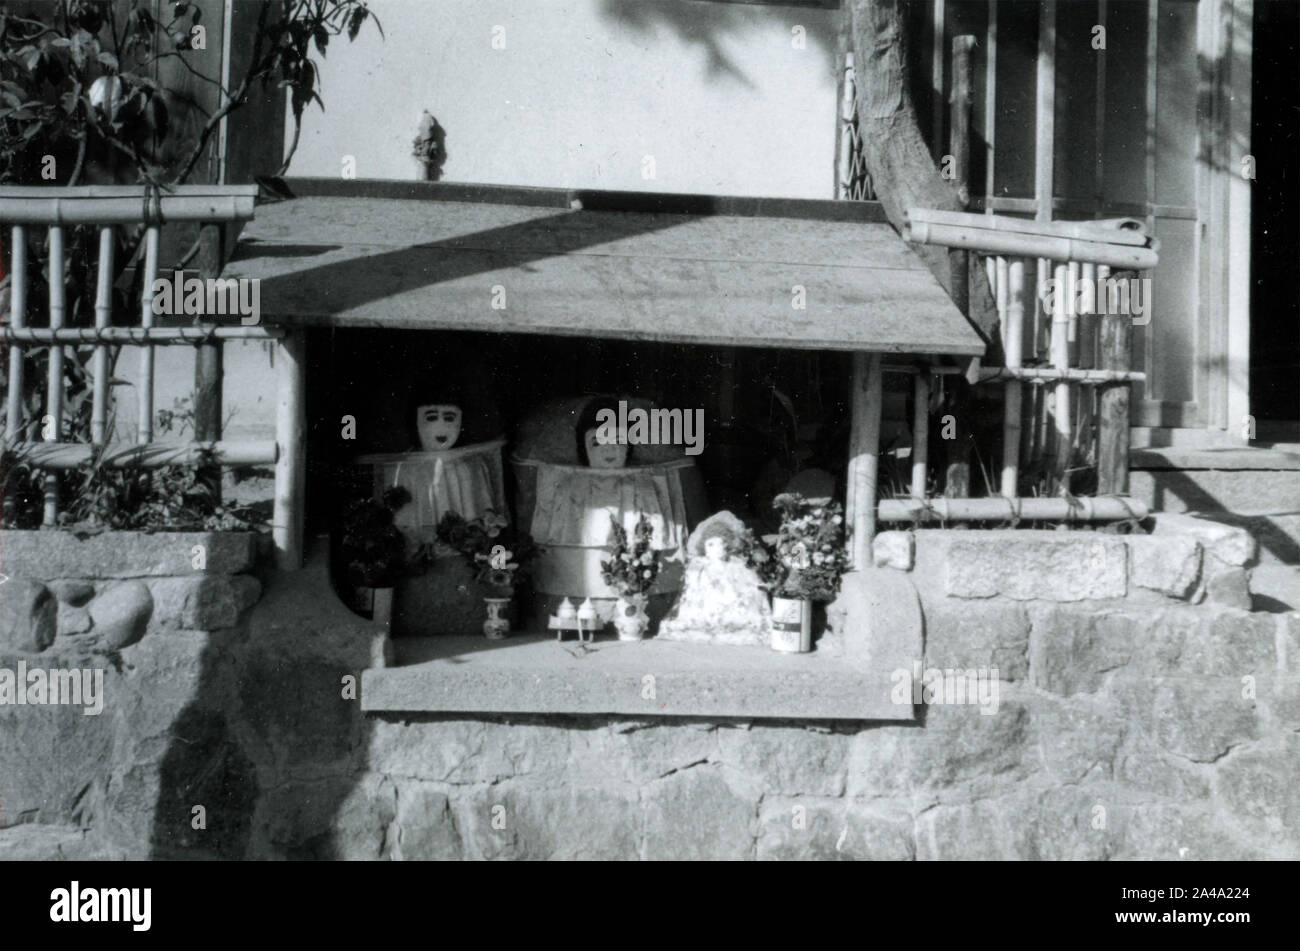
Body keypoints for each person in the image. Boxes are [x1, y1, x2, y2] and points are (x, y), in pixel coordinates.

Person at [658, 519, 770, 646]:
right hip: (706, 602)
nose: (716, 548)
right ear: (703, 546)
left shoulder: (735, 564)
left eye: (720, 544)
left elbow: (746, 585)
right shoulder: (699, 564)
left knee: (741, 615)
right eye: (710, 544)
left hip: (729, 601)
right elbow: (691, 589)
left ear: (727, 545)